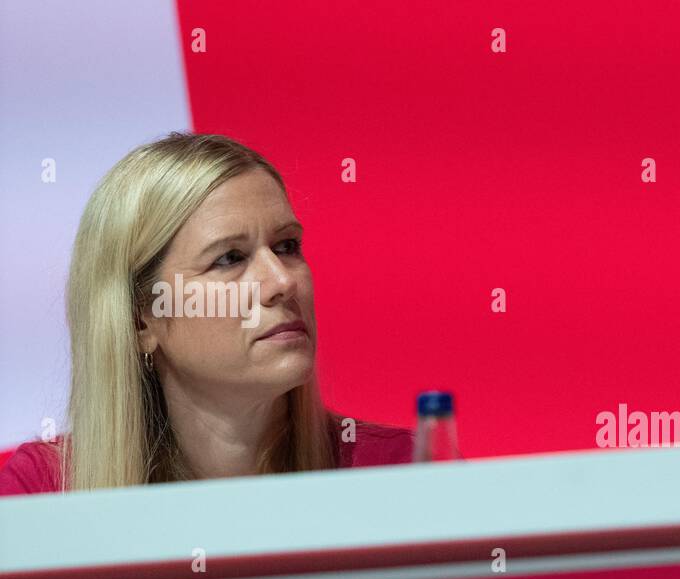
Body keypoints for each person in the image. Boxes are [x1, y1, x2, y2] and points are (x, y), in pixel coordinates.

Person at [0, 133, 412, 496]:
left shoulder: (401, 474)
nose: (282, 282)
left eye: (287, 246)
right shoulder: (43, 494)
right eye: (229, 258)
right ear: (141, 320)